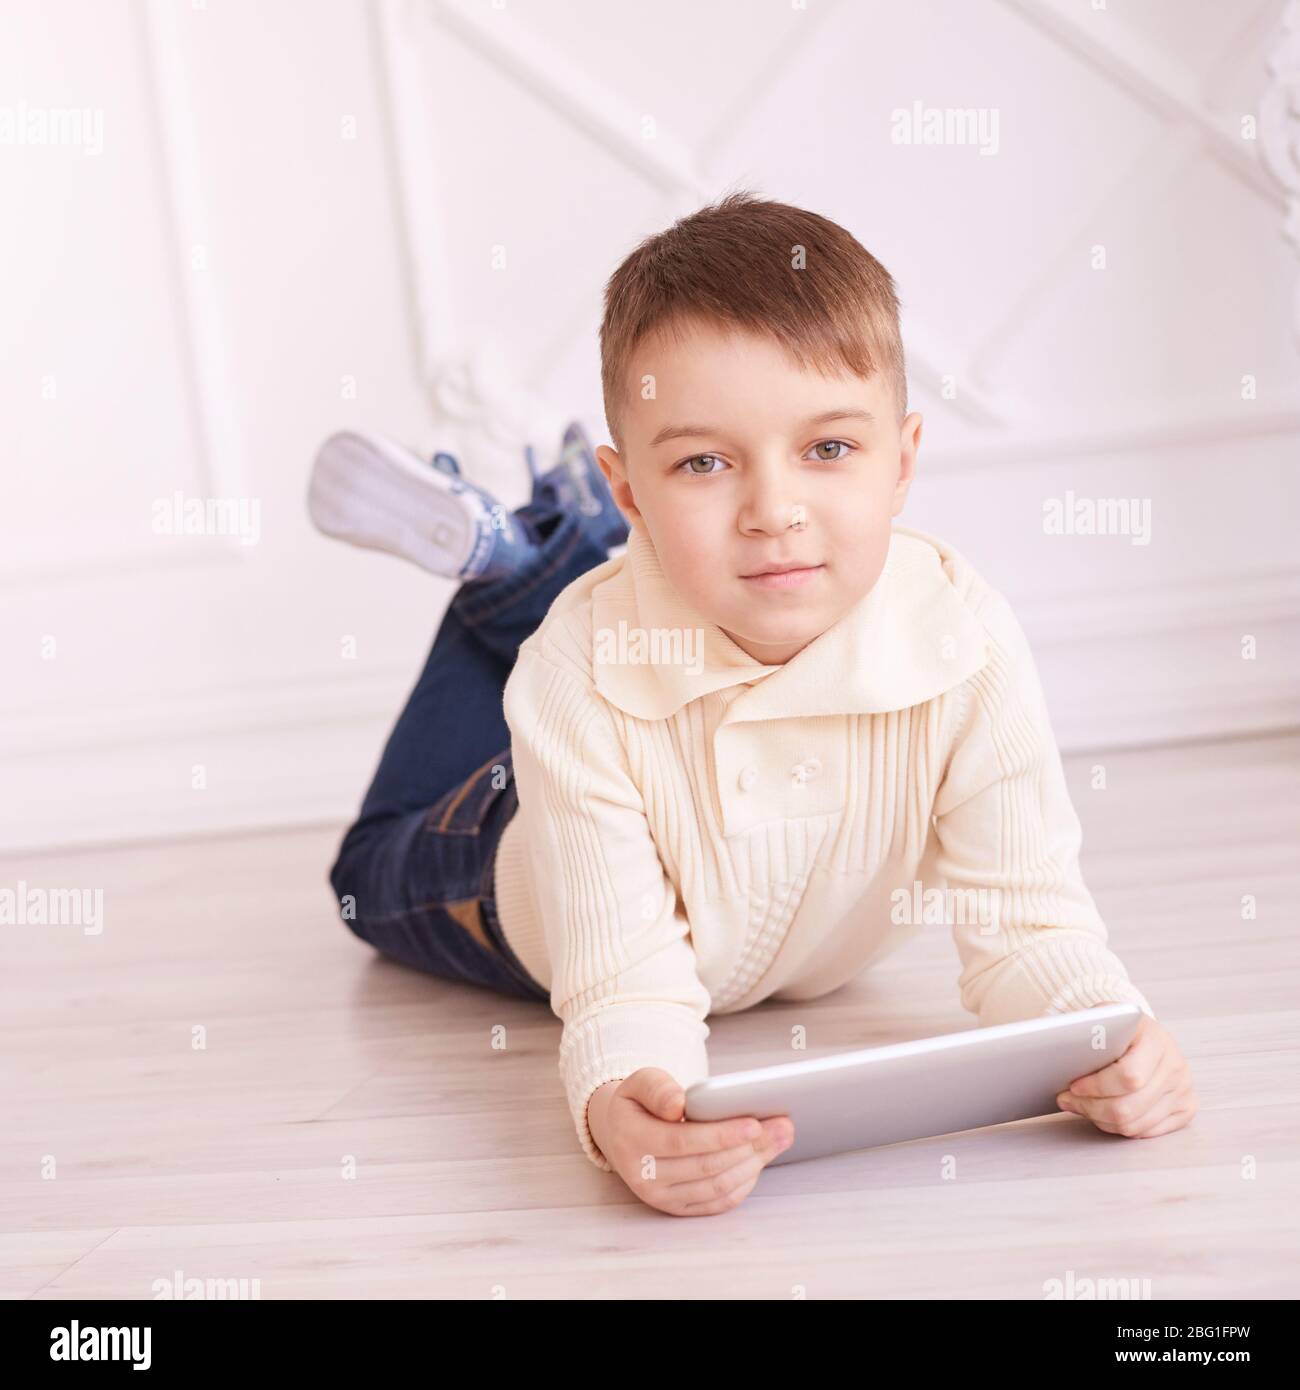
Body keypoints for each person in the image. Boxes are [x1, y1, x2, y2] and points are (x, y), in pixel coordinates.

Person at [311, 191, 1197, 1217]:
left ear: (902, 460)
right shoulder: (575, 673)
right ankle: (508, 575)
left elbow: (1030, 924)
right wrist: (619, 1105)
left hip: (704, 779)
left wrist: (1110, 1036)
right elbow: (625, 979)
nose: (774, 511)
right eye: (702, 462)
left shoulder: (962, 637)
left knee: (641, 602)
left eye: (828, 449)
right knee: (369, 868)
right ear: (635, 489)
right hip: (505, 866)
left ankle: (545, 541)